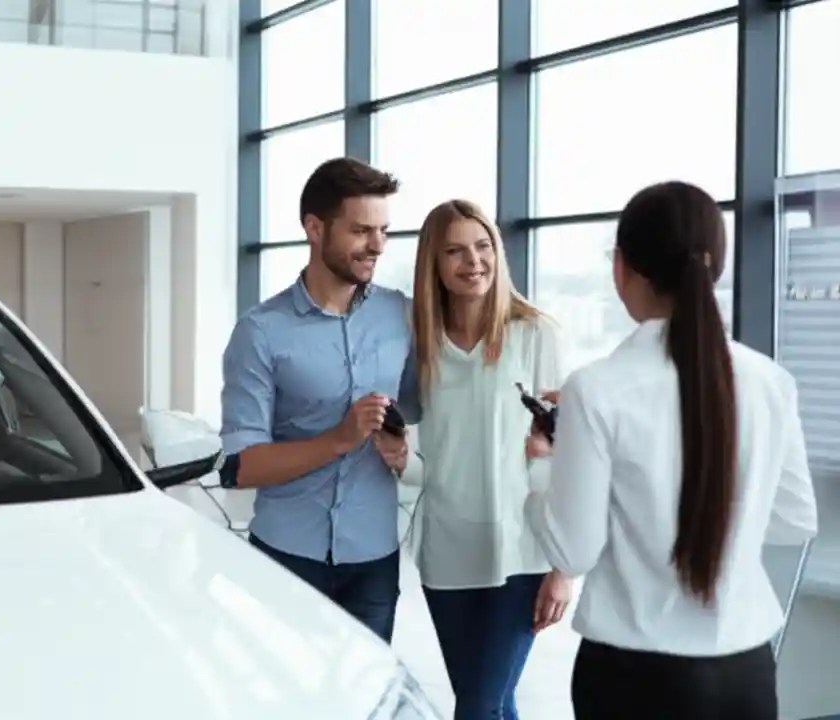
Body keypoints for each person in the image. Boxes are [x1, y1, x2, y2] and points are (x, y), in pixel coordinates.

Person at [524, 181, 818, 719]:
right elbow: (794, 520)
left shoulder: (598, 388)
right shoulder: (770, 381)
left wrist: (543, 469)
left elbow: (574, 552)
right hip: (745, 672)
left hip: (631, 675)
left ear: (621, 268)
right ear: (714, 267)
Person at [219, 156, 413, 642]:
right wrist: (339, 439)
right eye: (362, 231)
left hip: (374, 561)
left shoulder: (403, 317)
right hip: (286, 557)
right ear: (314, 227)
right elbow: (240, 468)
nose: (377, 246)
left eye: (384, 231)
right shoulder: (261, 332)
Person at [407, 199, 571, 720]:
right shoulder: (420, 345)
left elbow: (566, 455)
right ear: (433, 263)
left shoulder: (537, 333)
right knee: (491, 704)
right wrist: (397, 458)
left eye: (482, 247)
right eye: (454, 251)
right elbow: (427, 460)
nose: (472, 261)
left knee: (477, 708)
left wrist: (564, 568)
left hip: (521, 553)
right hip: (447, 554)